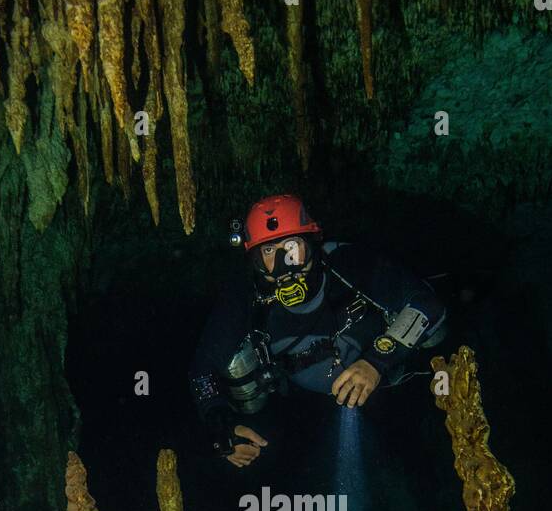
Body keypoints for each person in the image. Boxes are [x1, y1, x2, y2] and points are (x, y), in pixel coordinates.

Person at [189, 194, 448, 466]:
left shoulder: (348, 263)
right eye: (268, 252)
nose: (282, 265)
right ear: (254, 259)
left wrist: (376, 361)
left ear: (312, 244)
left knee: (436, 333)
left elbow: (428, 304)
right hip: (304, 407)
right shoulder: (246, 297)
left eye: (292, 247)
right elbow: (202, 370)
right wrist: (221, 426)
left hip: (393, 380)